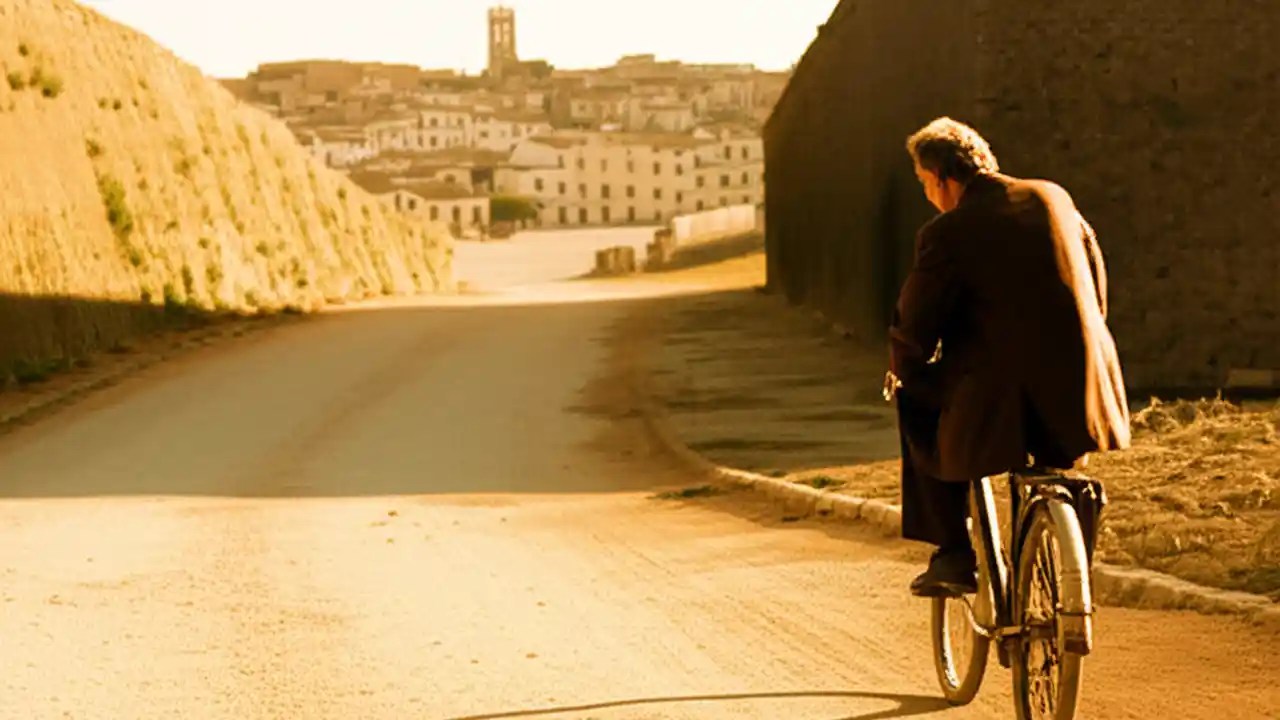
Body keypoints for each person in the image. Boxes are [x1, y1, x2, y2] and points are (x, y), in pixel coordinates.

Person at [887, 117, 1131, 597]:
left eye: (923, 184)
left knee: (915, 401)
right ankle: (1067, 549)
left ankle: (954, 553)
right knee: (1048, 456)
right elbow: (1094, 282)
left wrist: (904, 370)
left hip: (998, 393)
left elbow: (915, 322)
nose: (927, 196)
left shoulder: (947, 231)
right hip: (1083, 380)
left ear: (941, 177)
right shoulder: (1053, 198)